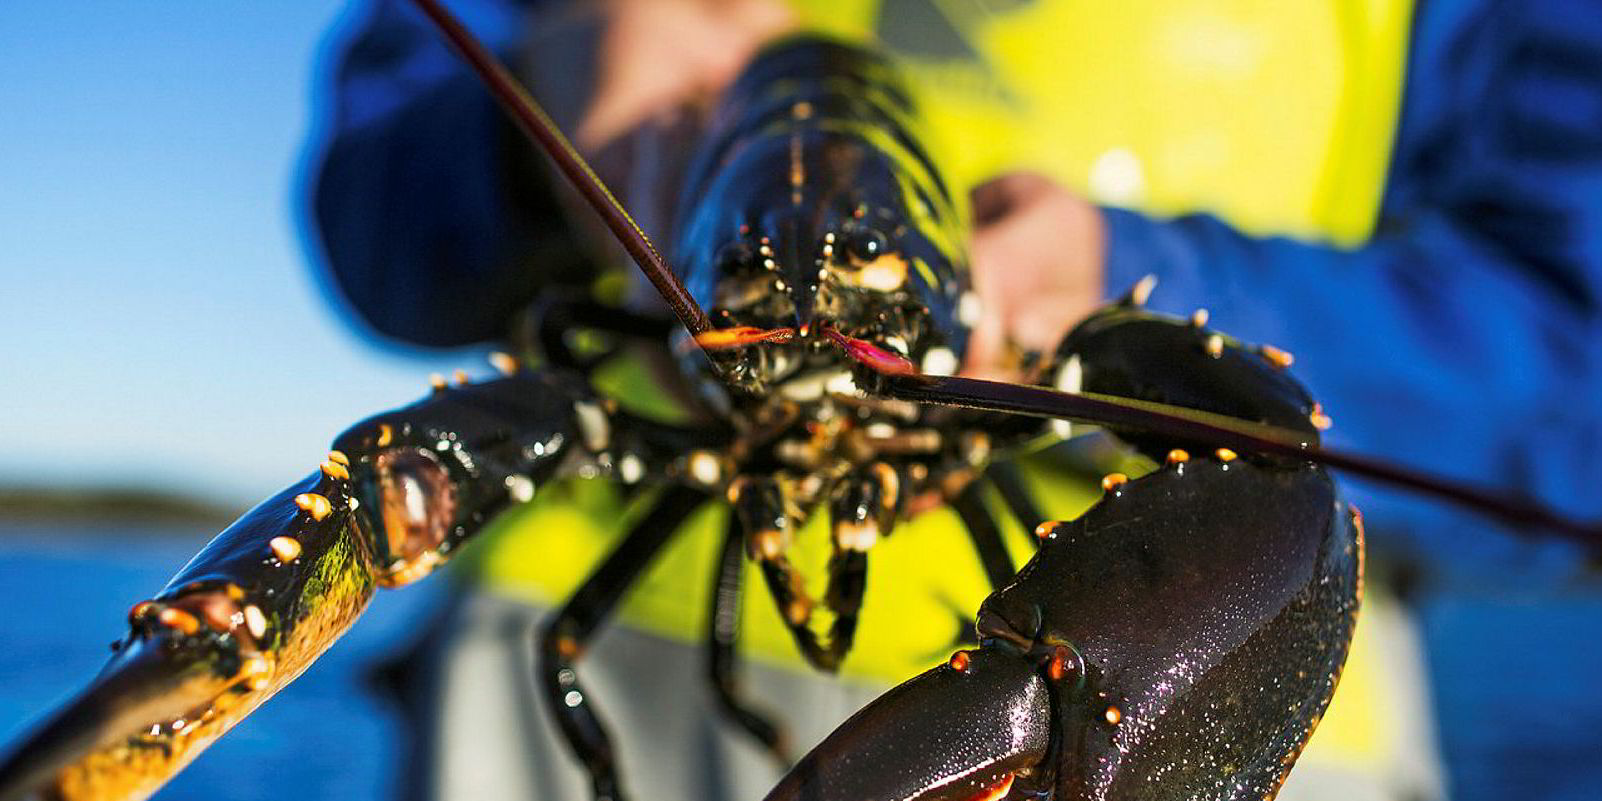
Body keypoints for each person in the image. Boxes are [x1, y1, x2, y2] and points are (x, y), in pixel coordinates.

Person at [306, 2, 1602, 800]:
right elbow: (366, 214)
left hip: (1178, 700)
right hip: (554, 719)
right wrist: (519, 110)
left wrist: (1151, 284)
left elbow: (1576, 379)